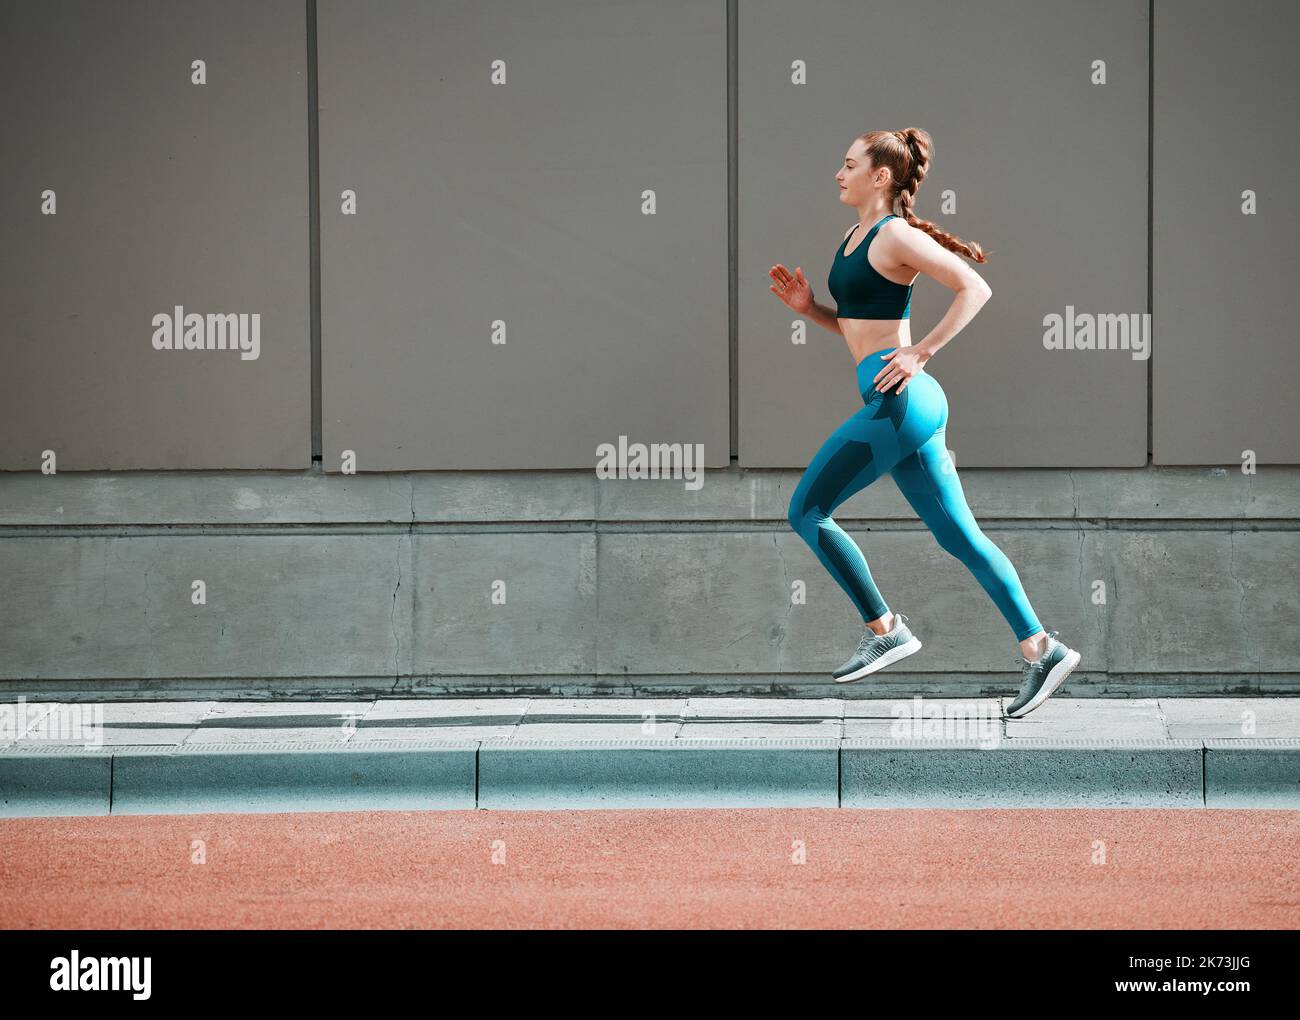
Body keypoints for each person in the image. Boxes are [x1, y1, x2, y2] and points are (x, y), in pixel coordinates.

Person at [767, 128, 1079, 718]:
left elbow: (974, 287)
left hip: (904, 402)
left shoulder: (896, 235)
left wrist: (921, 352)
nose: (840, 172)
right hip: (906, 405)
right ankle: (1043, 647)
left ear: (879, 176)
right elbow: (863, 329)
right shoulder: (855, 236)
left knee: (806, 510)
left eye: (849, 163)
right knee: (959, 536)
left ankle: (885, 627)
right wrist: (812, 311)